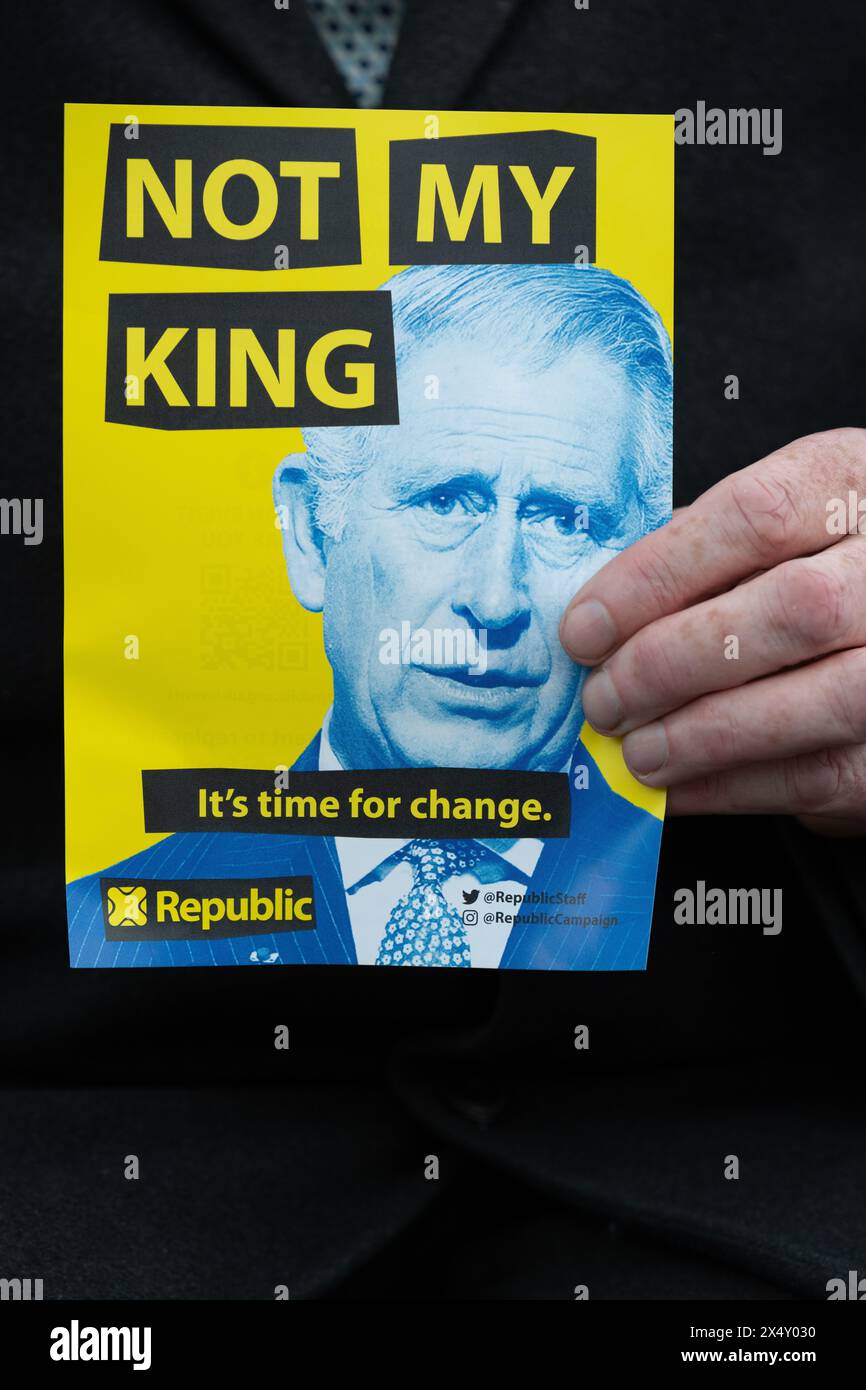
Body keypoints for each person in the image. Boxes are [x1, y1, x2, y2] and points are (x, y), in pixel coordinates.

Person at [67, 262, 672, 970]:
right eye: (444, 503)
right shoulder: (111, 930)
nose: (496, 601)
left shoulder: (694, 919)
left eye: (565, 520)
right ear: (313, 537)